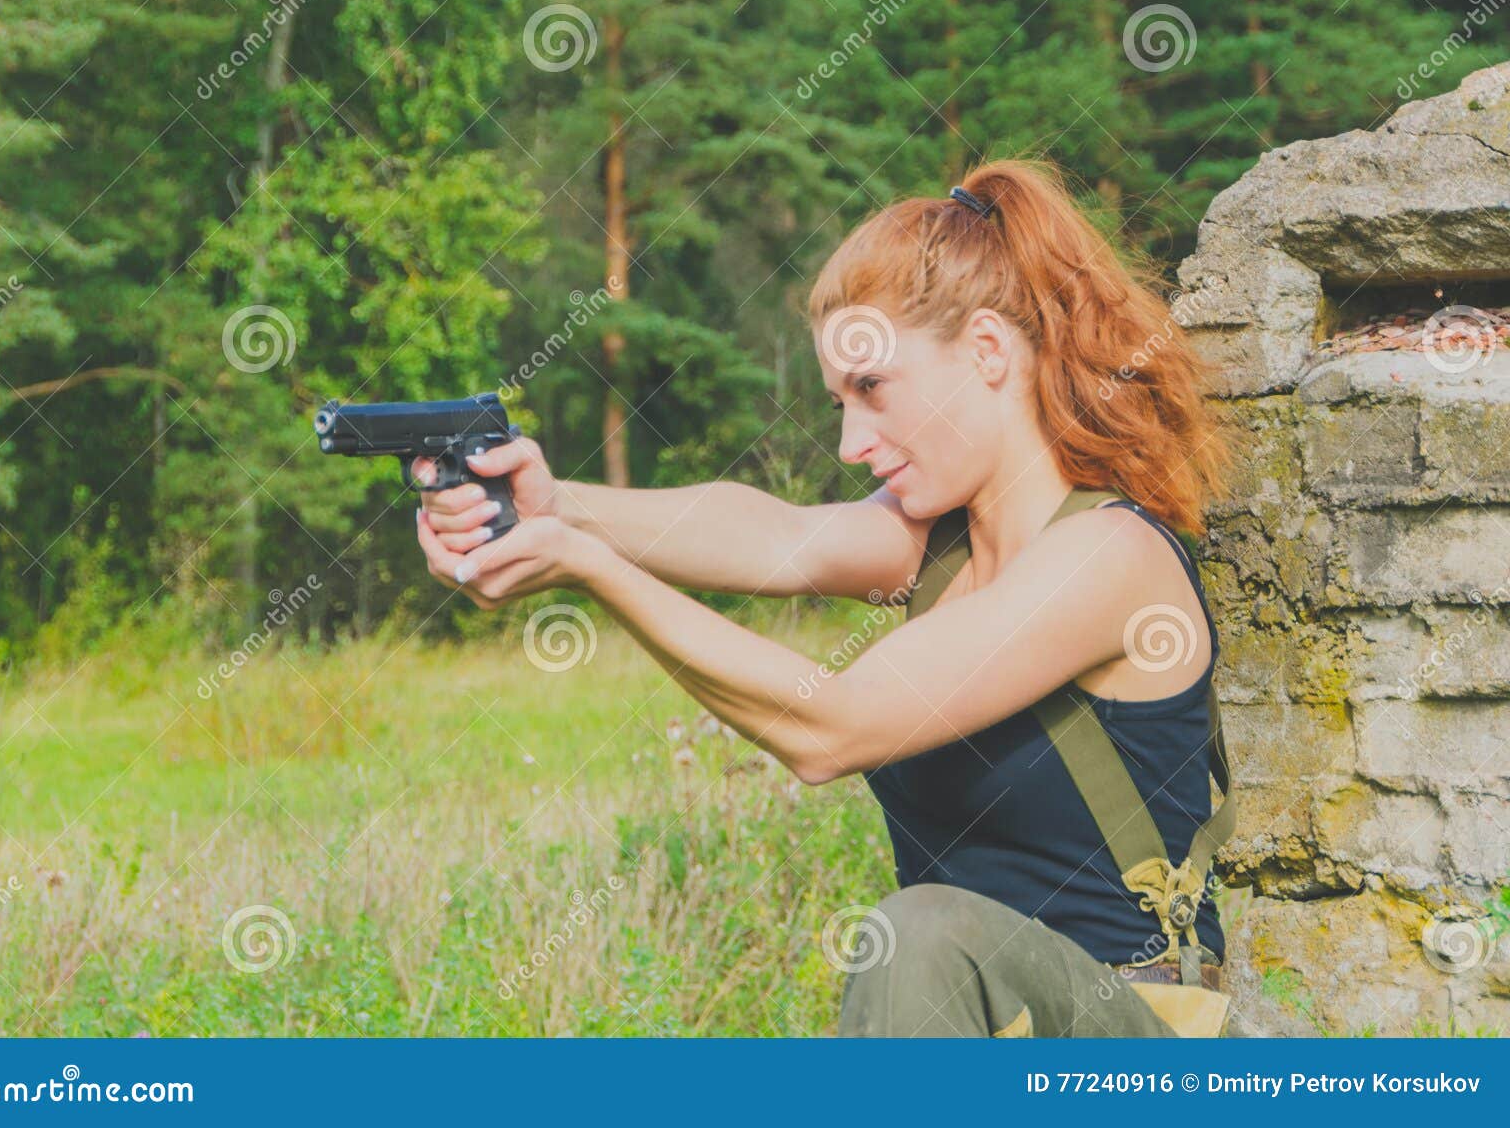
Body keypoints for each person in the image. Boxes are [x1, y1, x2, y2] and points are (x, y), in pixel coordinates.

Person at [413, 158, 1239, 1038]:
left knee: (919, 931)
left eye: (873, 389)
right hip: (976, 1031)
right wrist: (554, 503)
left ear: (989, 352)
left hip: (1144, 1038)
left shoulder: (1107, 558)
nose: (851, 441)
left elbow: (829, 727)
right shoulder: (938, 542)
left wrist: (592, 567)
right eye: (840, 401)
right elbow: (771, 534)